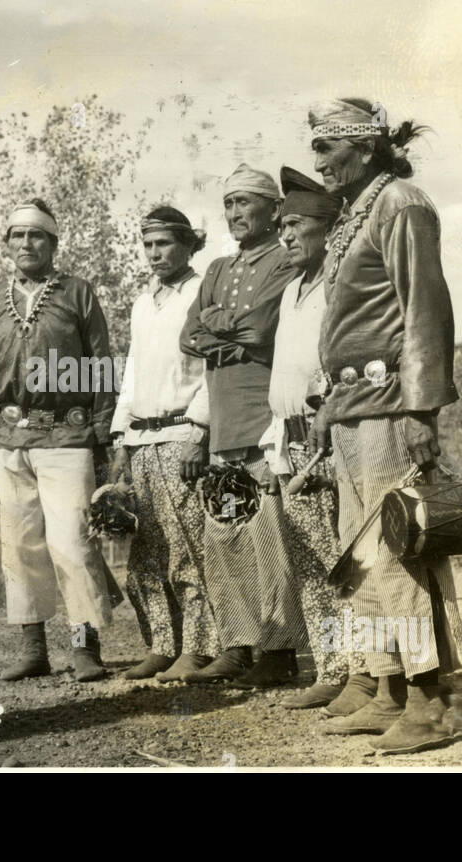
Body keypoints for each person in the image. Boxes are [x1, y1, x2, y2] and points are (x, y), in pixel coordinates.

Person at [305, 98, 462, 754]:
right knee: (360, 557)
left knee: (397, 552)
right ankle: (388, 689)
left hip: (389, 408)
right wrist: (325, 410)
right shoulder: (357, 213)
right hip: (350, 410)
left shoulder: (401, 203)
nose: (317, 161)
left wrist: (422, 408)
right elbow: (348, 328)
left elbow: (424, 306)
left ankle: (431, 704)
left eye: (325, 148)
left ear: (363, 148)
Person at [0, 200, 119, 683]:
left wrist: (103, 437)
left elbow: (101, 366)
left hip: (68, 434)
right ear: (7, 245)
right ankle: (33, 647)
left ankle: (85, 643)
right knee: (21, 544)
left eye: (37, 236)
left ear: (53, 244)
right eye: (18, 236)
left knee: (72, 540)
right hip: (8, 437)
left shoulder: (78, 293)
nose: (26, 245)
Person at [178, 164, 304, 687]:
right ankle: (237, 644)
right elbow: (189, 335)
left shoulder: (286, 261)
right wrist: (229, 333)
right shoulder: (215, 271)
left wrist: (220, 328)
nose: (234, 214)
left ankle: (279, 652)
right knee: (225, 535)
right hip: (224, 425)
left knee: (269, 537)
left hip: (265, 420)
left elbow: (264, 327)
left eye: (245, 203)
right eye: (228, 204)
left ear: (273, 209)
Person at [255, 167, 371, 710]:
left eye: (295, 224)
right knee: (306, 562)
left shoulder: (340, 283)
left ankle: (361, 675)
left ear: (328, 227)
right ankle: (330, 668)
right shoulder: (290, 291)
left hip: (331, 439)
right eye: (280, 225)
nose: (284, 236)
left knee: (345, 562)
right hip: (290, 441)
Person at [109, 207, 220, 682]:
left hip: (181, 435)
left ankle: (198, 648)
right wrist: (120, 435)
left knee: (188, 546)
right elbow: (133, 372)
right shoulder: (141, 302)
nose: (155, 254)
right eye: (148, 245)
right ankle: (160, 643)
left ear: (188, 244)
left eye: (164, 244)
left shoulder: (202, 292)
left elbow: (213, 368)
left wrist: (199, 428)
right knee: (146, 550)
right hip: (141, 437)